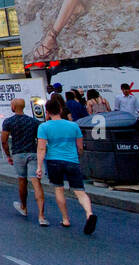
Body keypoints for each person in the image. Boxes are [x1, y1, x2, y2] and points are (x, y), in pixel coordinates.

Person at [36, 95, 97, 234]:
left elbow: (41, 148)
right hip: (72, 160)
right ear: (61, 109)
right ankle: (89, 213)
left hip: (54, 161)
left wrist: (39, 167)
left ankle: (65, 219)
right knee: (80, 191)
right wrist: (77, 156)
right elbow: (80, 147)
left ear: (47, 112)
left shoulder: (44, 127)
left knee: (59, 189)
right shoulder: (73, 125)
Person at [1, 98, 46, 225]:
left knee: (22, 179)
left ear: (14, 107)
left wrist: (8, 155)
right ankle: (41, 216)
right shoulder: (33, 121)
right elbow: (40, 139)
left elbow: (4, 141)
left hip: (18, 153)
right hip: (32, 152)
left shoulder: (9, 121)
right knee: (36, 182)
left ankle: (24, 207)